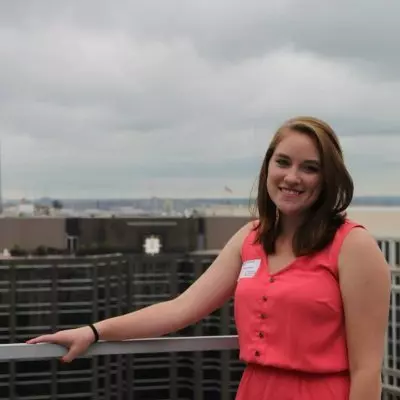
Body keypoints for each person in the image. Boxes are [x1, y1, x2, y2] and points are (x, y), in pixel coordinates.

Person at [27, 116, 391, 399]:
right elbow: (180, 309)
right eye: (283, 162)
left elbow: (366, 369)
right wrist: (94, 331)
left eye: (309, 168)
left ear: (328, 178)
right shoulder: (250, 238)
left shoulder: (353, 246)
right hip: (254, 391)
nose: (292, 177)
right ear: (268, 168)